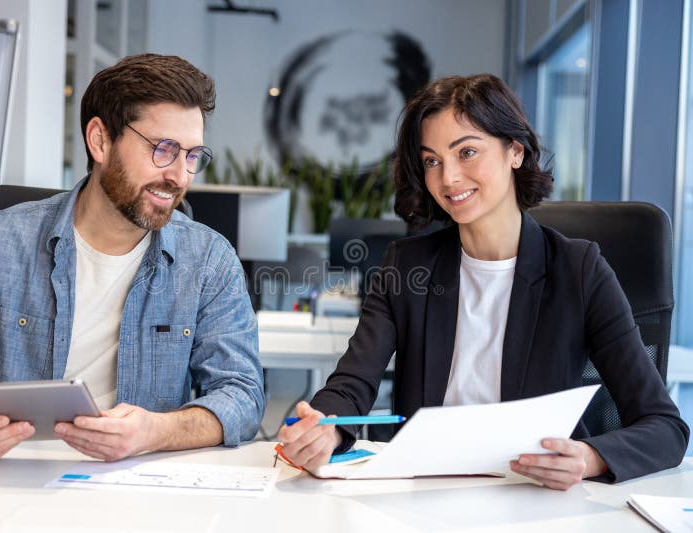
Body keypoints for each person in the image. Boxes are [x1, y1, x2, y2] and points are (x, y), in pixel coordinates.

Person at [278, 73, 689, 490]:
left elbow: (664, 427)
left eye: (467, 152)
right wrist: (325, 427)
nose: (449, 179)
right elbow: (352, 384)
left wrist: (591, 457)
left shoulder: (578, 269)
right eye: (432, 161)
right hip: (425, 495)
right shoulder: (406, 266)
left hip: (535, 499)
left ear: (514, 150)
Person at [0, 54, 265, 466]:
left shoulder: (210, 261)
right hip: (9, 480)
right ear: (100, 140)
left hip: (141, 491)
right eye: (164, 149)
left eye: (192, 155)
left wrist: (153, 432)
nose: (179, 176)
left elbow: (243, 396)